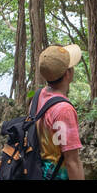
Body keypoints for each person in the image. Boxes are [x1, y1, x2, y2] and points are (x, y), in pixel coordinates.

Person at [36, 44, 85, 180]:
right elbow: (72, 162)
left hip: (39, 173)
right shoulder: (64, 110)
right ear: (67, 74)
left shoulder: (38, 96)